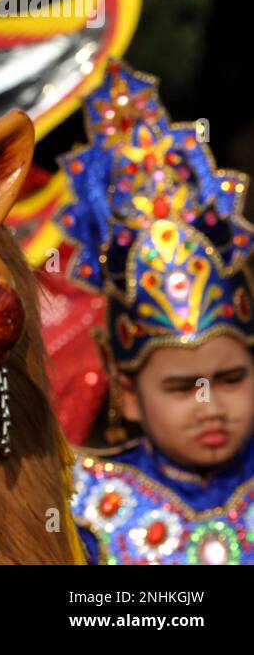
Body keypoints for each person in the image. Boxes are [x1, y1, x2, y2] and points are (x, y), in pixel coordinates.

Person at [60, 60, 254, 564]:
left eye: (230, 379)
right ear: (126, 393)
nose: (210, 405)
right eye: (182, 387)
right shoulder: (81, 509)